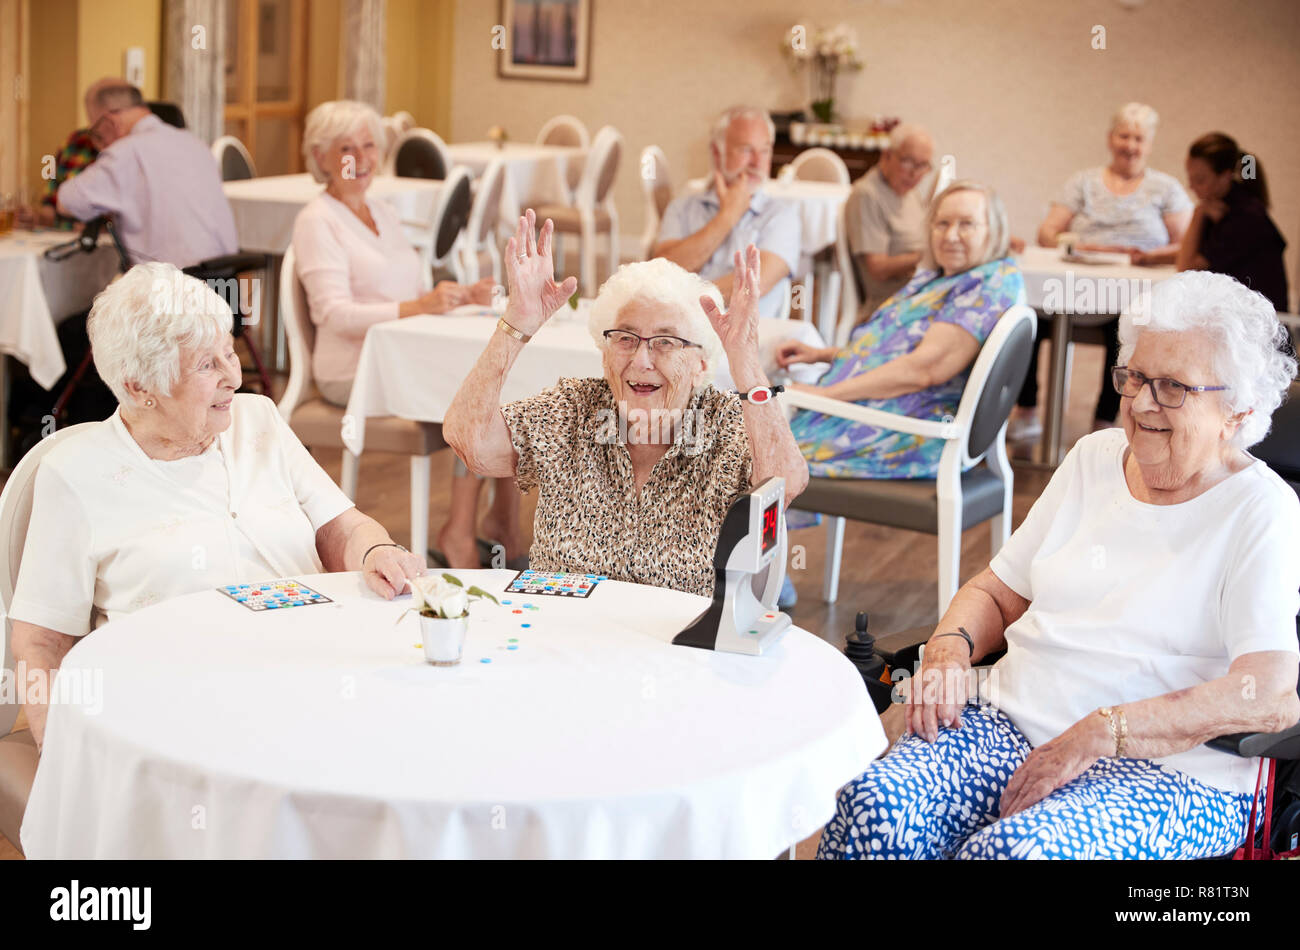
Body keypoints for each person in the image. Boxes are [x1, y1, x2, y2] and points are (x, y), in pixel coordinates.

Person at [817, 270, 1300, 859]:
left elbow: (1269, 694)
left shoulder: (1260, 509)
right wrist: (946, 651)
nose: (1142, 403)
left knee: (1015, 854)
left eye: (1172, 386)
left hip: (1173, 772)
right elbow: (997, 593)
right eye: (1136, 377)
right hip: (1014, 720)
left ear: (1238, 410)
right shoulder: (1093, 459)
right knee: (875, 803)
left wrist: (1104, 730)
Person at [9, 263, 427, 752]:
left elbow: (340, 529)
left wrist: (375, 549)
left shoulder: (260, 420)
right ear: (141, 387)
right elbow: (41, 646)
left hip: (317, 675)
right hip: (178, 717)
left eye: (229, 351)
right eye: (207, 365)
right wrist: (68, 763)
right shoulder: (75, 474)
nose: (234, 375)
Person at [444, 210, 808, 598]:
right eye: (625, 339)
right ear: (604, 353)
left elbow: (785, 486)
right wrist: (517, 323)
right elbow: (470, 442)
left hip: (677, 646)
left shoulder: (728, 424)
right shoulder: (573, 409)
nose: (641, 360)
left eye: (665, 342)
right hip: (564, 637)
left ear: (702, 363)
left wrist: (748, 367)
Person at [291, 100, 506, 569]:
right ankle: (459, 537)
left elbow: (412, 291)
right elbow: (332, 314)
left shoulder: (382, 212)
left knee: (499, 388)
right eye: (345, 148)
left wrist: (461, 294)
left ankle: (499, 525)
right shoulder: (316, 221)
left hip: (403, 360)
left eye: (369, 145)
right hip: (351, 370)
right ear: (320, 157)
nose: (361, 158)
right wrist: (418, 307)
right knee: (479, 397)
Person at [777, 181, 1022, 479]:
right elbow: (895, 348)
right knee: (743, 435)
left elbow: (925, 369)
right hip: (872, 412)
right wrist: (822, 354)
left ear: (992, 230)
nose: (951, 235)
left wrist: (825, 394)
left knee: (756, 453)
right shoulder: (943, 278)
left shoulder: (987, 285)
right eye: (941, 224)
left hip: (905, 430)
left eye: (967, 224)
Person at [1014, 102, 1193, 438]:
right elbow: (1047, 233)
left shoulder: (1166, 189)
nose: (1130, 145)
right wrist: (1089, 247)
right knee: (1027, 316)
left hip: (1131, 293)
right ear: (1111, 139)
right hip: (1073, 286)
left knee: (1127, 325)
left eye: (1139, 138)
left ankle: (1104, 421)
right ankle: (1026, 410)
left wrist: (1144, 256)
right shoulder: (1082, 182)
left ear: (1149, 144)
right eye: (1124, 136)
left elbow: (1185, 245)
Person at [55, 82, 237, 268]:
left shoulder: (127, 152)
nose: (96, 143)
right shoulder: (196, 144)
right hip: (224, 285)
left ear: (110, 122)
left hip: (173, 287)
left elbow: (67, 201)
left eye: (96, 133)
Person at [652, 106, 801, 320]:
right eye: (746, 150)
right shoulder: (682, 208)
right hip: (680, 336)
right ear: (717, 152)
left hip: (746, 343)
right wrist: (728, 216)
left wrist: (682, 303)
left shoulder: (783, 215)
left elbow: (755, 284)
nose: (758, 163)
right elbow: (662, 271)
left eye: (765, 150)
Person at [1178, 132, 1289, 313]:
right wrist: (1149, 257)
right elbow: (1195, 251)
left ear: (1225, 176)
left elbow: (1185, 268)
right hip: (1243, 316)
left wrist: (1198, 213)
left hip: (1261, 328)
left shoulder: (1244, 218)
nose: (1191, 187)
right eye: (1190, 178)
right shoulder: (1223, 205)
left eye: (1200, 180)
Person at [844, 124, 935, 321]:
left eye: (923, 166)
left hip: (922, 290)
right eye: (908, 162)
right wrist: (927, 256)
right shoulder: (867, 194)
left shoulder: (909, 192)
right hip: (894, 304)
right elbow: (877, 269)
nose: (915, 174)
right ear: (886, 155)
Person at [16, 77, 116, 230]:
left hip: (114, 249)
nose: (102, 144)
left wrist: (99, 229)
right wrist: (35, 217)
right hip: (66, 245)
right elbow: (50, 207)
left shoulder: (134, 151)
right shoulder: (76, 142)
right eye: (96, 133)